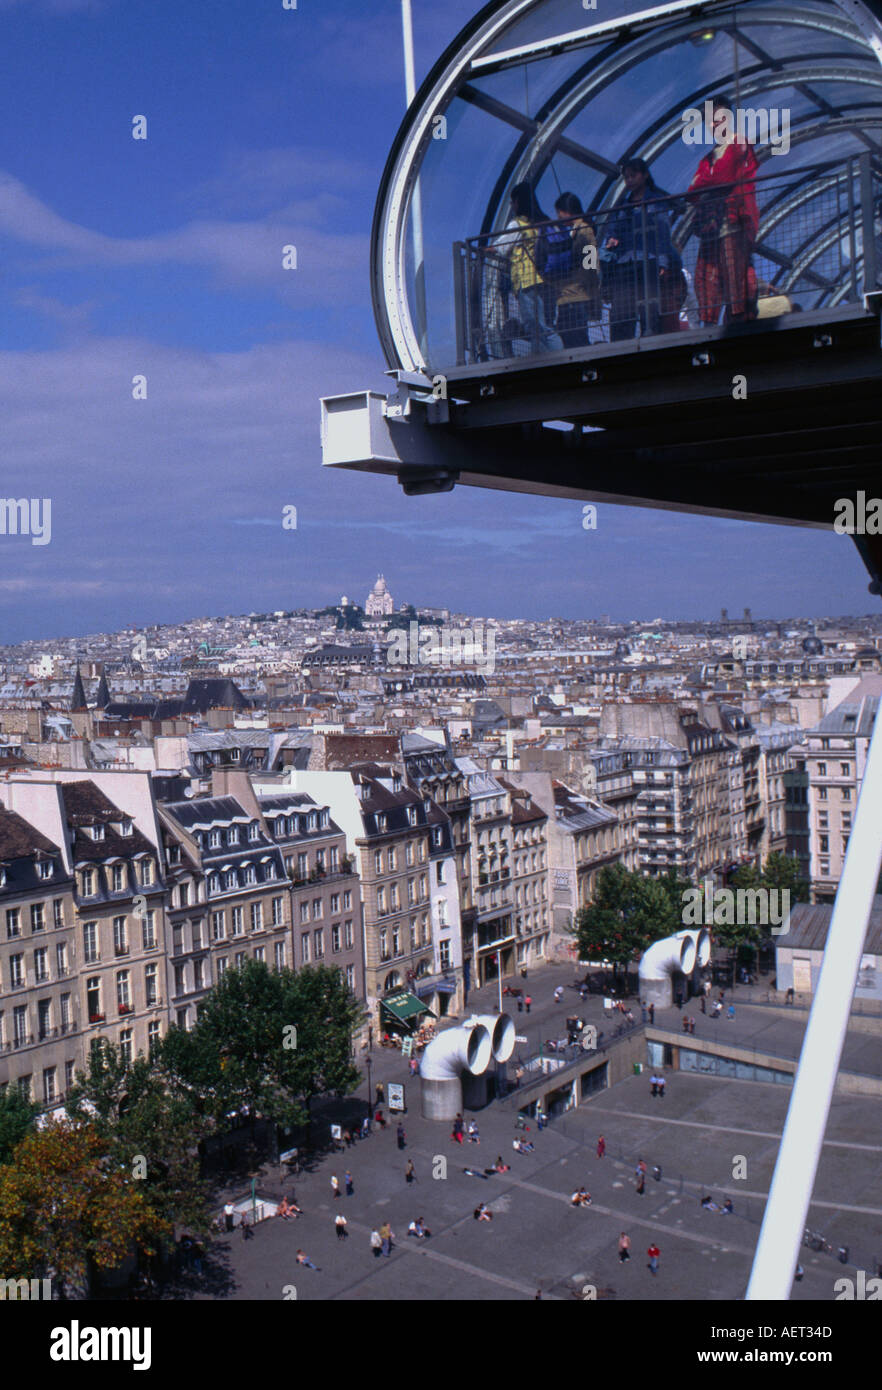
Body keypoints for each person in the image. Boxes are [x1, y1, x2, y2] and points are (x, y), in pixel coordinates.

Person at [687, 98, 760, 326]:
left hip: (733, 220)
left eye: (716, 119)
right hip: (713, 224)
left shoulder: (738, 143)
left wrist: (704, 183)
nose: (712, 125)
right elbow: (692, 192)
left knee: (734, 272)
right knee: (707, 276)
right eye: (709, 121)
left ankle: (739, 319)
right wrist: (709, 182)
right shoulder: (709, 157)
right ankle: (710, 320)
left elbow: (723, 176)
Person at [602, 157, 680, 341]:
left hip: (648, 258)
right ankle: (621, 343)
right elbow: (614, 228)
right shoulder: (624, 206)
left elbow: (662, 232)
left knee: (649, 303)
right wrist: (611, 239)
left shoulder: (655, 201)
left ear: (644, 175)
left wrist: (662, 261)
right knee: (622, 306)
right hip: (625, 261)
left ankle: (650, 337)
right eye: (627, 177)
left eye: (633, 175)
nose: (629, 180)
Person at [493, 182, 564, 356]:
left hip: (527, 280)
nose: (512, 206)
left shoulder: (518, 224)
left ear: (518, 201)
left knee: (535, 324)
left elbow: (501, 248)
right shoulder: (544, 222)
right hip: (547, 280)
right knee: (545, 322)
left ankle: (555, 356)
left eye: (512, 202)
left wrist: (485, 249)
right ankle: (541, 355)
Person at [549, 192, 602, 347]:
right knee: (568, 335)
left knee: (575, 336)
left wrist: (589, 287)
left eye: (560, 212)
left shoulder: (584, 230)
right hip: (569, 294)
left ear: (568, 210)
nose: (558, 216)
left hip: (578, 294)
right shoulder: (572, 231)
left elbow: (591, 260)